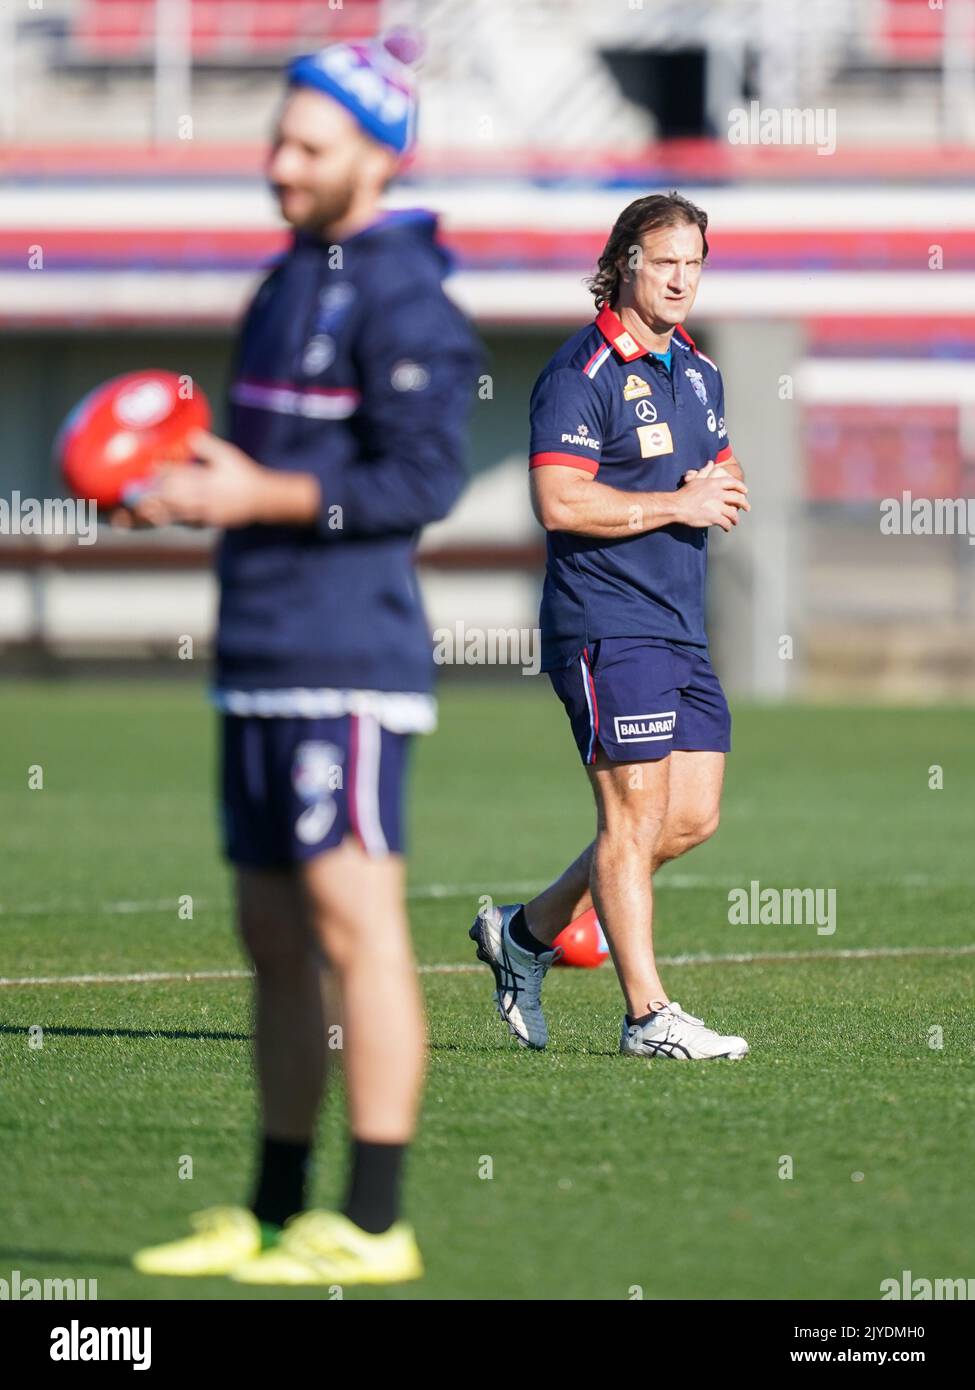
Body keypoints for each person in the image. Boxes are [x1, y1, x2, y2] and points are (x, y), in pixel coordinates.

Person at [130, 32, 482, 1286]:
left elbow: (421, 480)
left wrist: (264, 493)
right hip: (259, 653)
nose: (279, 163)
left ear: (381, 156)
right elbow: (264, 469)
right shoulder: (290, 276)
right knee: (272, 933)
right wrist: (177, 487)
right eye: (276, 139)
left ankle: (374, 1222)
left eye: (309, 146)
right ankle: (275, 1211)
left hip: (347, 662)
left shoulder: (405, 295)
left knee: (354, 919)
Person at [471, 191, 751, 1062]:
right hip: (605, 622)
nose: (680, 279)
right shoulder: (580, 371)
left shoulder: (696, 368)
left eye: (694, 263)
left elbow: (717, 465)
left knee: (688, 818)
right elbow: (557, 501)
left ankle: (524, 934)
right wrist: (679, 499)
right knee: (630, 818)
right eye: (665, 261)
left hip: (678, 623)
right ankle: (646, 1018)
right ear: (625, 260)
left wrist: (718, 484)